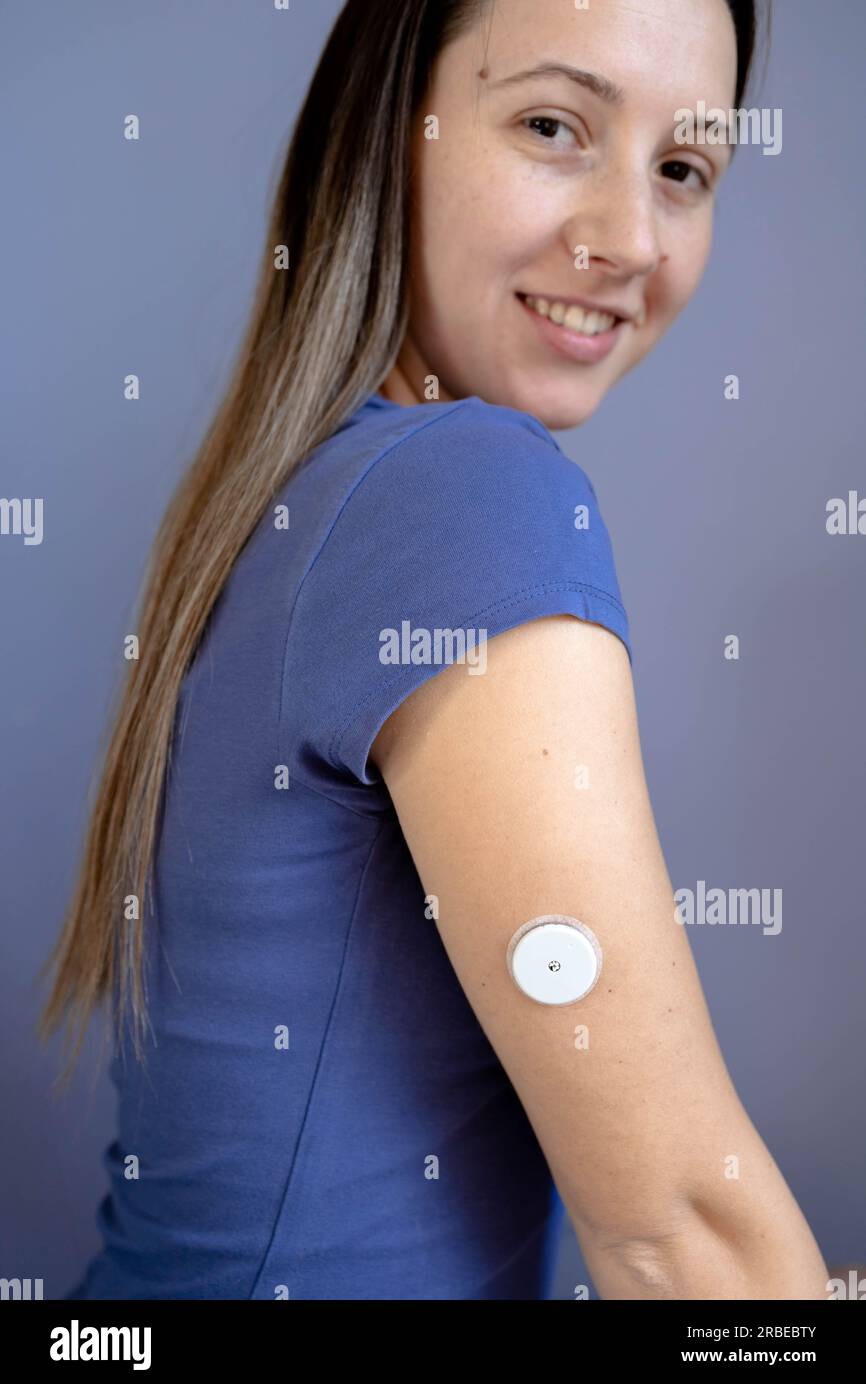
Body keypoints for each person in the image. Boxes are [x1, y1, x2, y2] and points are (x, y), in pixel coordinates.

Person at [43, 0, 832, 1299]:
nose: (629, 238)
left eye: (682, 169)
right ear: (386, 128)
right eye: (551, 124)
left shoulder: (294, 493)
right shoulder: (465, 492)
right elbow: (683, 1246)